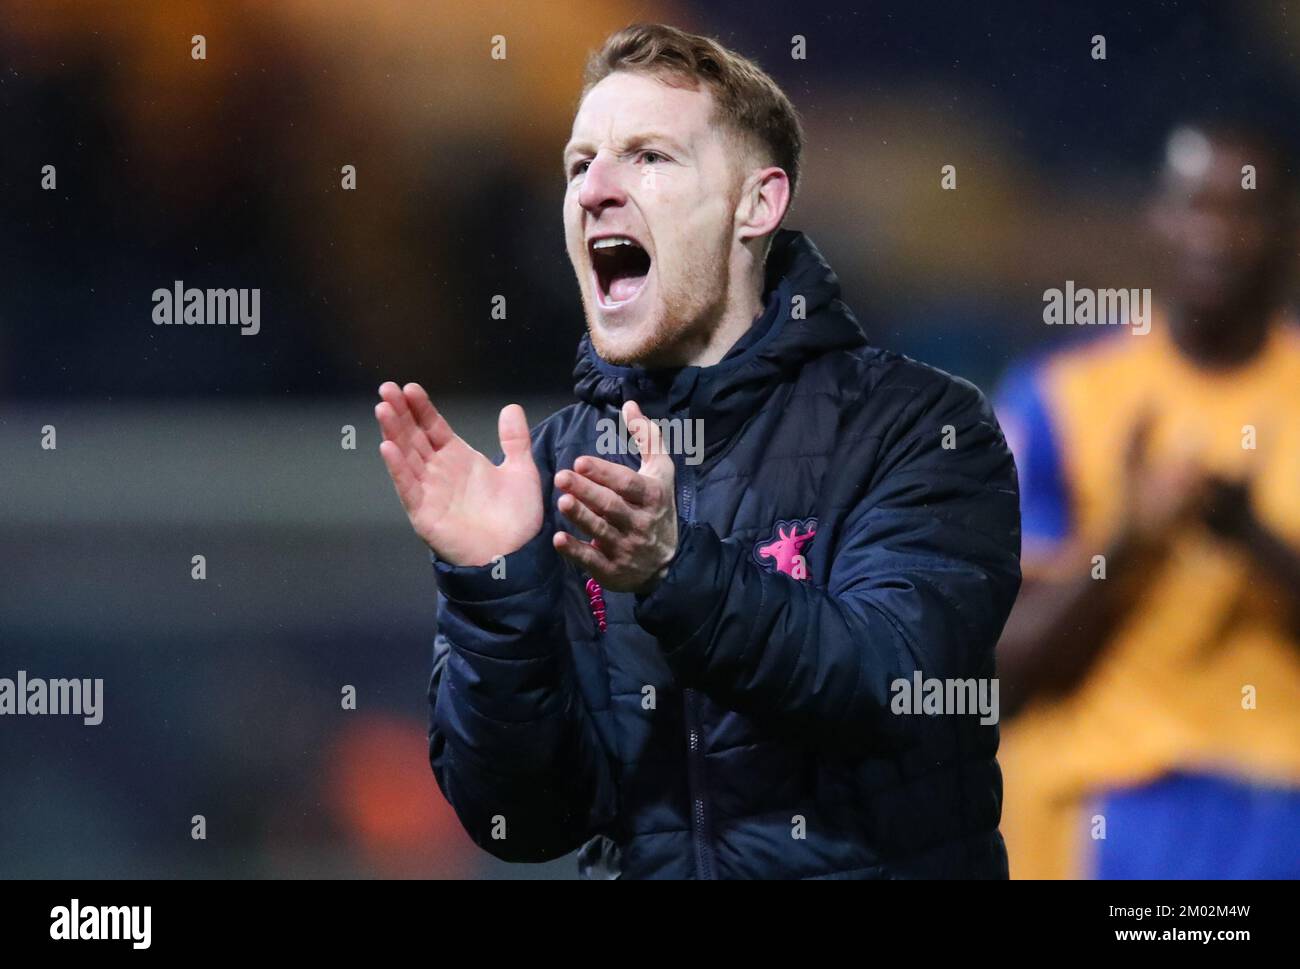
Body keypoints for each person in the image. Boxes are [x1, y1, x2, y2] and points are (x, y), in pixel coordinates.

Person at [376, 23, 1020, 879]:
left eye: (648, 157)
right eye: (579, 164)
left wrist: (676, 571)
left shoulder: (921, 427)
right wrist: (495, 593)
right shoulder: (556, 468)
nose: (596, 189)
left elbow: (894, 687)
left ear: (758, 204)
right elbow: (524, 820)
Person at [995, 120, 1300, 879]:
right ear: (1158, 217)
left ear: (1286, 226)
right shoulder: (1060, 401)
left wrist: (1251, 537)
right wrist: (1128, 540)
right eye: (1197, 205)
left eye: (1245, 209)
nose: (1219, 235)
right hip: (1106, 807)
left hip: (1278, 807)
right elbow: (998, 673)